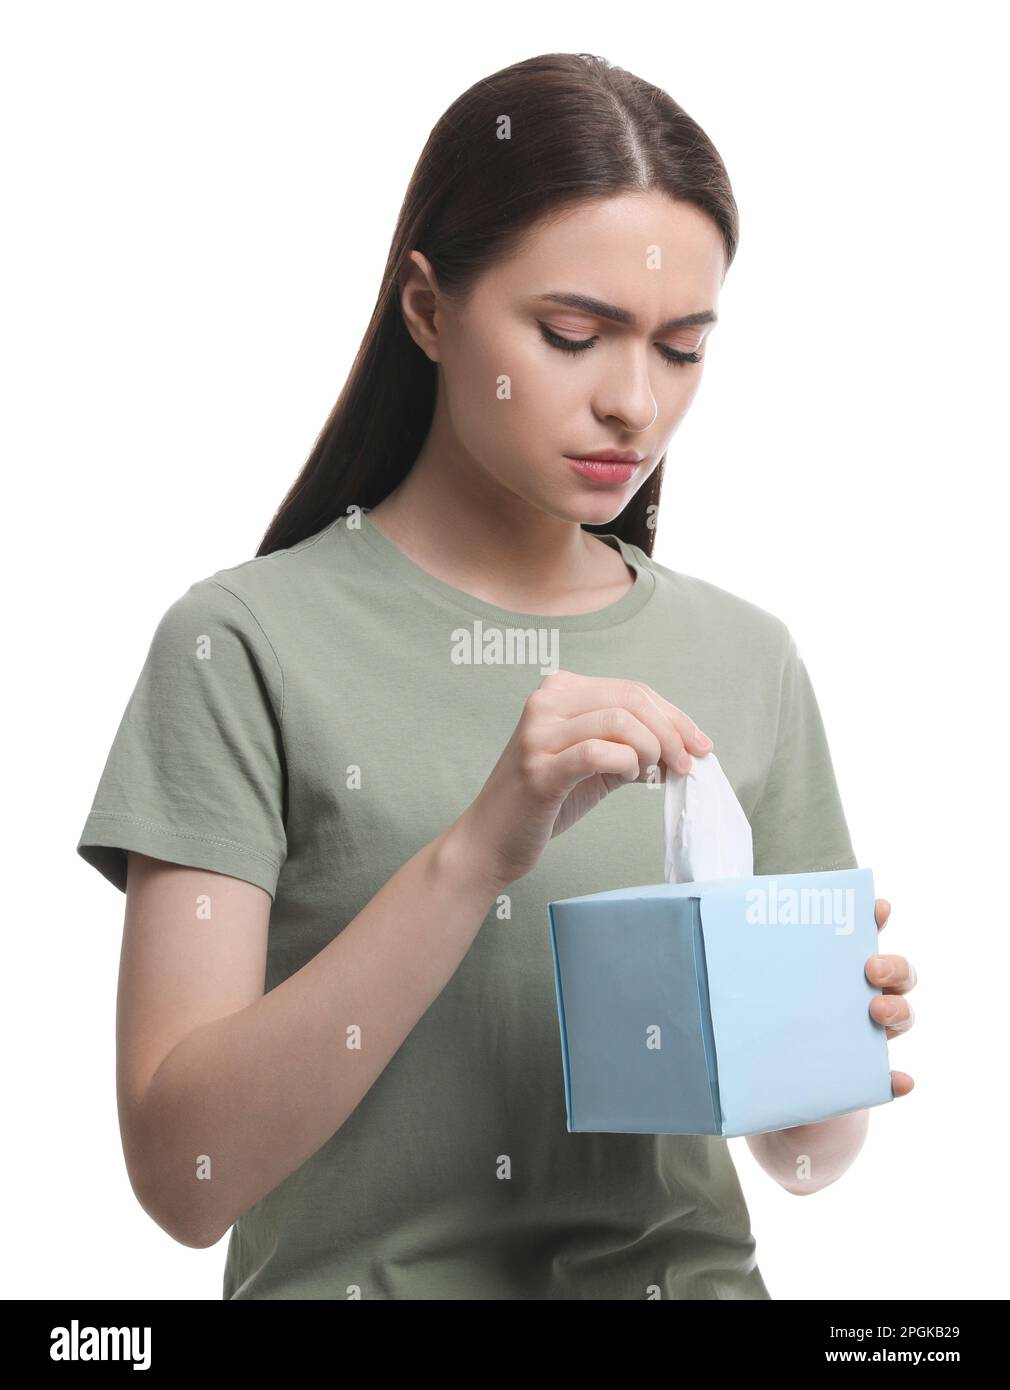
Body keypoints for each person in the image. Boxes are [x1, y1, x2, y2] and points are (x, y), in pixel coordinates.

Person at [76, 51, 916, 1301]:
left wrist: (823, 1049)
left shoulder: (747, 658)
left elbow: (801, 1159)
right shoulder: (240, 645)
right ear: (426, 307)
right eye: (572, 336)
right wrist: (474, 854)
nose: (633, 403)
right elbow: (184, 1179)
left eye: (681, 350)